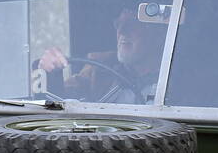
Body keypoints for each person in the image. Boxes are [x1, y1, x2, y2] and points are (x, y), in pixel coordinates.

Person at [36, 7, 165, 103]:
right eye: (118, 24)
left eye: (132, 25)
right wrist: (51, 73)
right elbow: (62, 98)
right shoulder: (101, 67)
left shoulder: (175, 77)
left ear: (159, 34)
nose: (121, 31)